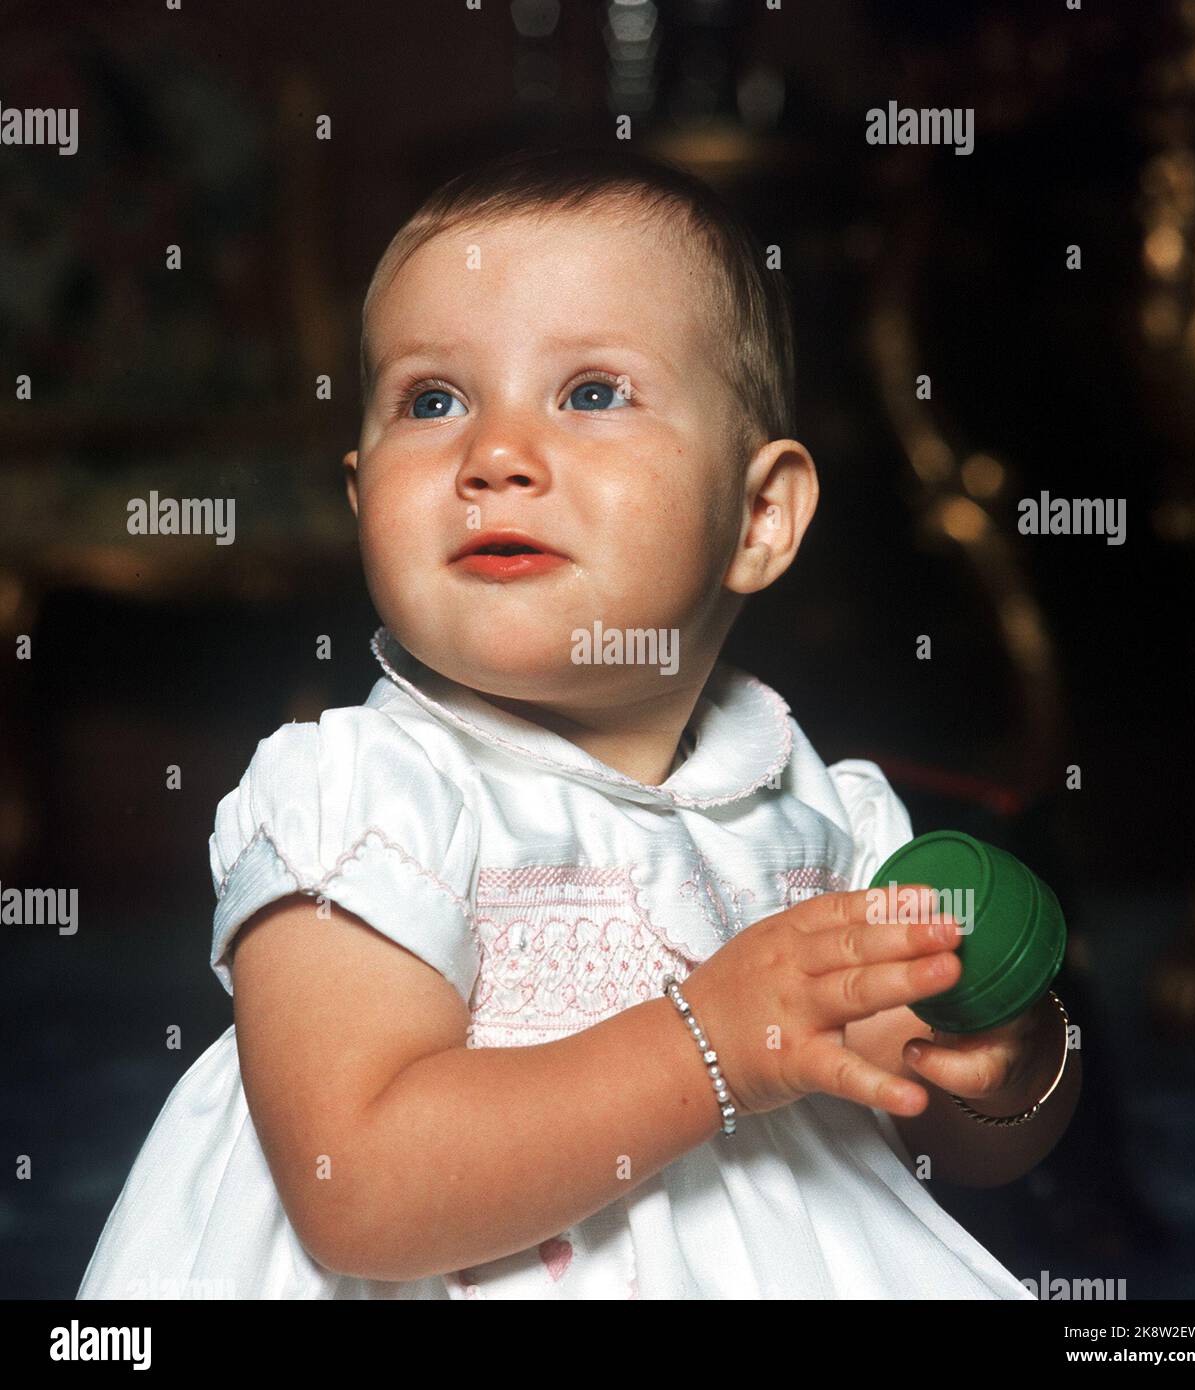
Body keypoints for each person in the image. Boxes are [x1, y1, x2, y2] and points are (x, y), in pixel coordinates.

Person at [78, 145, 1079, 1300]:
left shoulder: (814, 803)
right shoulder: (361, 793)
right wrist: (710, 1039)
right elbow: (350, 1182)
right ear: (361, 501)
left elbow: (945, 1138)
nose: (493, 455)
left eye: (592, 392)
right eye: (433, 399)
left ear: (759, 516)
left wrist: (1001, 1063)